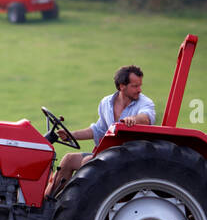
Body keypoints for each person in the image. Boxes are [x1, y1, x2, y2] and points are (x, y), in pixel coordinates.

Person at [46, 65, 156, 197]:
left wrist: (134, 119)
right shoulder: (106, 103)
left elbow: (146, 117)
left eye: (140, 85)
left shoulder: (145, 102)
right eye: (135, 86)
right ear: (122, 86)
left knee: (88, 162)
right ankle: (46, 203)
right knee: (68, 159)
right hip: (108, 156)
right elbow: (97, 130)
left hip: (129, 159)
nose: (139, 90)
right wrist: (71, 135)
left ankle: (75, 204)